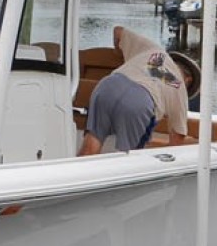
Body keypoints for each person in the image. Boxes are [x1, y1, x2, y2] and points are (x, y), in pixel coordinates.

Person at [78, 26, 201, 155]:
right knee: (130, 158)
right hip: (138, 101)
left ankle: (76, 173)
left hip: (109, 85)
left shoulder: (154, 50)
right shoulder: (180, 88)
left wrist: (121, 55)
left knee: (91, 145)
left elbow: (118, 31)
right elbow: (176, 141)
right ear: (188, 79)